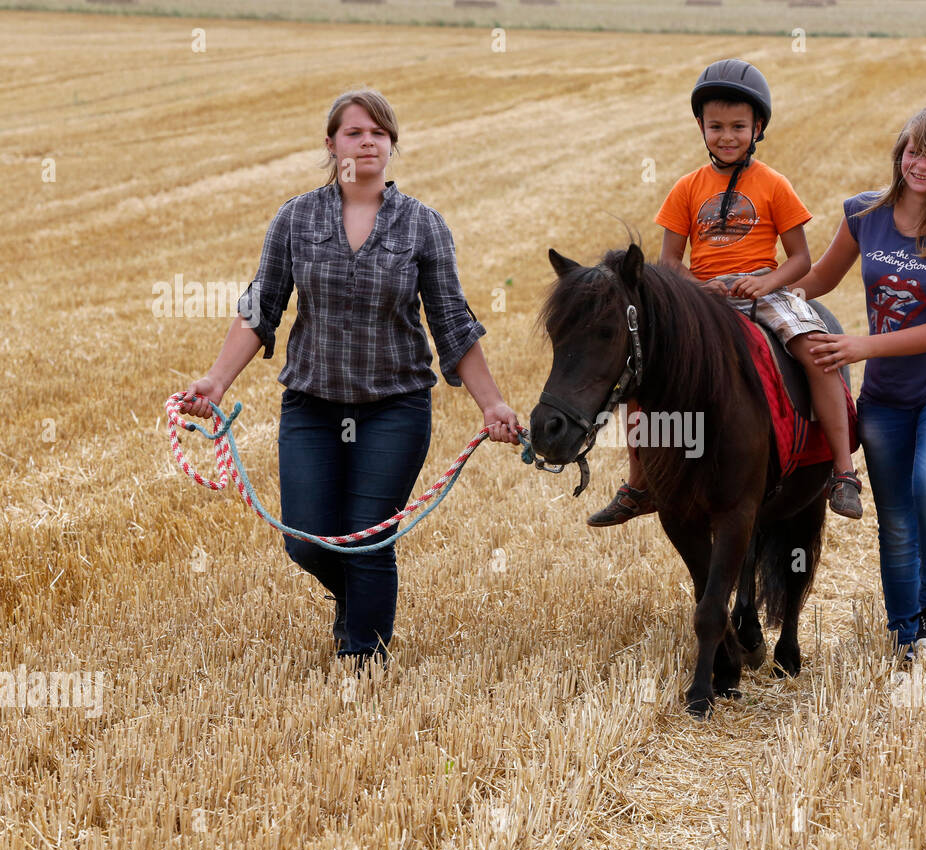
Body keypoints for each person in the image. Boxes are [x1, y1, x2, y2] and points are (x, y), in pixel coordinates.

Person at [178, 88, 520, 671]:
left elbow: (452, 322)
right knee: (304, 539)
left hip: (394, 408)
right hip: (311, 405)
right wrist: (215, 383)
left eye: (378, 133)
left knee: (366, 541)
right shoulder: (295, 218)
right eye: (354, 132)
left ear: (391, 146)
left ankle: (362, 657)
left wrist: (492, 405)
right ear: (331, 143)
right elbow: (262, 307)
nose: (367, 142)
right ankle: (361, 604)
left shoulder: (423, 226)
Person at [586, 58, 862, 527]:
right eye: (716, 126)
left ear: (758, 128)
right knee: (641, 368)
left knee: (817, 354)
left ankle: (842, 471)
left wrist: (766, 282)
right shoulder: (686, 188)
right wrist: (698, 287)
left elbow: (800, 260)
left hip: (766, 292)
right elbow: (669, 263)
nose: (727, 136)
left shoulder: (775, 185)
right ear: (700, 126)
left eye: (738, 126)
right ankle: (638, 483)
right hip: (699, 300)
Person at [799, 107, 926, 660]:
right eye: (914, 151)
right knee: (896, 519)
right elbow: (819, 279)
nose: (922, 164)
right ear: (899, 154)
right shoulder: (865, 214)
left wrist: (860, 345)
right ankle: (905, 634)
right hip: (885, 398)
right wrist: (763, 291)